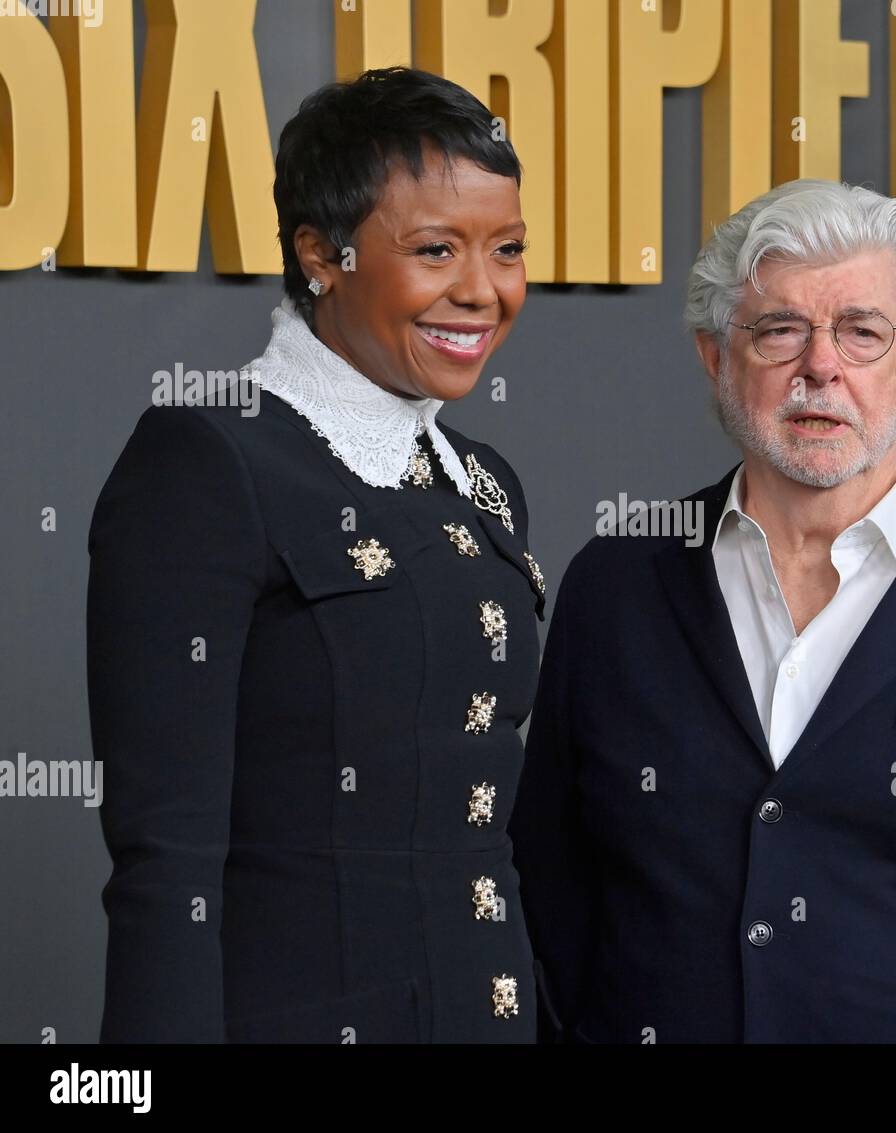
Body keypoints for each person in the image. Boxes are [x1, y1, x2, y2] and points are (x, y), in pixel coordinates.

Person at [511, 179, 896, 1043]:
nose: (822, 365)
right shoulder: (613, 587)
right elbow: (552, 891)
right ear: (713, 354)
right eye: (780, 330)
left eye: (862, 331)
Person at [88, 67, 547, 1043]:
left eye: (506, 249)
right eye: (435, 250)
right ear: (320, 253)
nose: (481, 290)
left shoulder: (486, 479)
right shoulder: (208, 457)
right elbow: (166, 867)